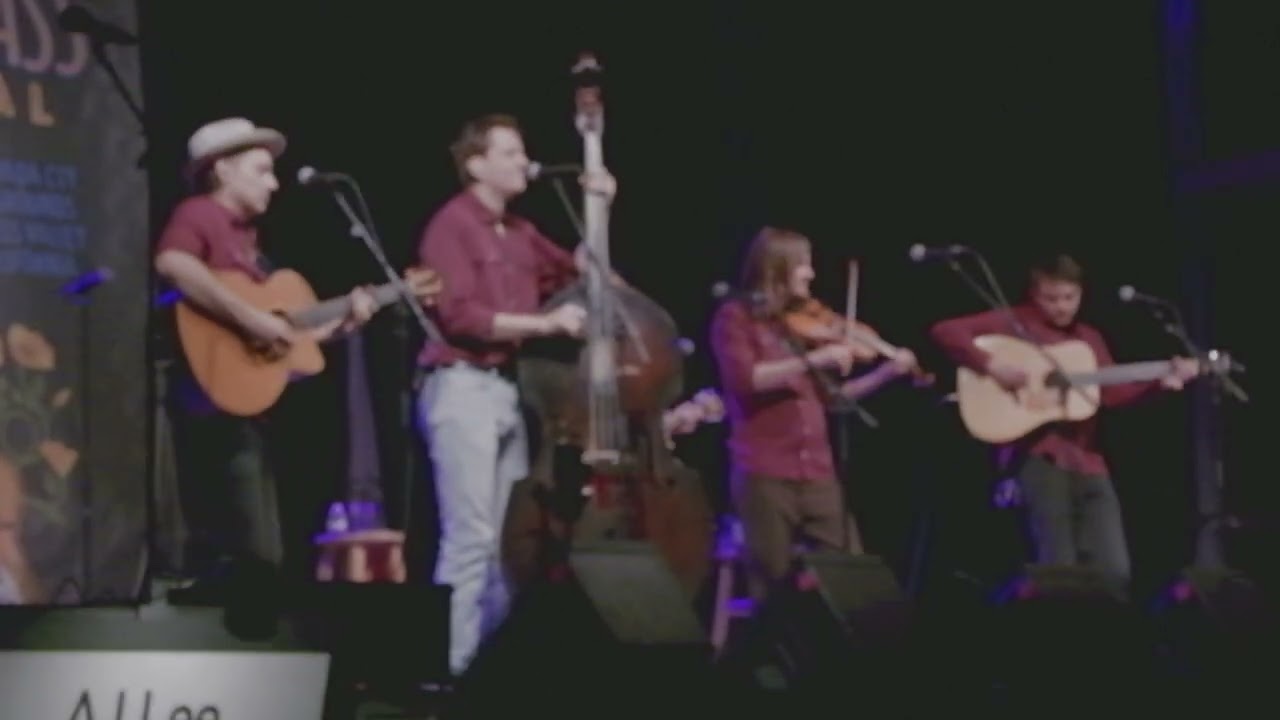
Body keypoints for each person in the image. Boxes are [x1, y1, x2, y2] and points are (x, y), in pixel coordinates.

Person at [416, 113, 616, 677]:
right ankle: (450, 670)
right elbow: (461, 316)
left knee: (509, 542)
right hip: (462, 386)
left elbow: (580, 271)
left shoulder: (521, 232)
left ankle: (489, 673)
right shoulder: (452, 225)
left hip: (507, 392)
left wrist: (601, 207)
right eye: (510, 153)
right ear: (476, 164)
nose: (523, 162)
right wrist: (544, 325)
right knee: (471, 539)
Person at [154, 117, 378, 604]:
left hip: (247, 402)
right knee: (253, 551)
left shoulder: (249, 244)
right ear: (222, 170)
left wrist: (344, 324)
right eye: (261, 171)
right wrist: (253, 320)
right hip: (209, 397)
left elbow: (289, 338)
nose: (274, 183)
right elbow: (173, 263)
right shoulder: (199, 213)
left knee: (265, 551)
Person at [928, 253, 1198, 593]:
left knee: (1115, 571)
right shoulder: (1017, 323)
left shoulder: (1088, 338)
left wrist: (1159, 383)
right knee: (1058, 570)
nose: (1061, 307)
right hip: (1039, 459)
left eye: (1070, 297)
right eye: (1051, 298)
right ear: (1034, 294)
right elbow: (945, 331)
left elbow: (1110, 395)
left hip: (1090, 463)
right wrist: (991, 365)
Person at [709, 226, 919, 602]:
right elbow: (747, 379)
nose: (811, 273)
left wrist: (886, 372)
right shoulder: (735, 318)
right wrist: (814, 360)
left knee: (850, 572)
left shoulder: (799, 327)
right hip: (765, 472)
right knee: (770, 587)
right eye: (803, 264)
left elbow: (835, 399)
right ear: (777, 268)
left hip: (818, 473)